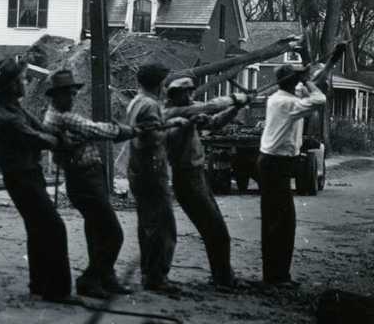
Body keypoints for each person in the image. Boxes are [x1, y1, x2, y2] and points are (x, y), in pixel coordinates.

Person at [42, 69, 137, 299]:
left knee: (96, 230)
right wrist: (128, 130)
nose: (72, 98)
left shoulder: (53, 115)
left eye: (73, 93)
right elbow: (98, 130)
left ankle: (106, 277)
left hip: (86, 176)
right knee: (113, 233)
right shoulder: (64, 117)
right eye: (68, 94)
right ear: (56, 96)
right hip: (84, 178)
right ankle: (90, 279)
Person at [0, 55, 71, 302]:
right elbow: (37, 138)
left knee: (37, 230)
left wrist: (56, 133)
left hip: (28, 175)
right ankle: (58, 291)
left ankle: (39, 286)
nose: (26, 83)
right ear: (13, 84)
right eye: (23, 79)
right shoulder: (6, 116)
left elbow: (40, 128)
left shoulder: (13, 106)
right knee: (55, 228)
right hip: (21, 179)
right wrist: (60, 142)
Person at [163, 75, 248, 290]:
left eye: (192, 92)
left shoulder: (187, 112)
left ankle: (223, 276)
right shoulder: (170, 114)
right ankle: (223, 279)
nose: (192, 96)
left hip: (198, 176)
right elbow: (206, 110)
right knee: (216, 231)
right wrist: (235, 99)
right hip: (186, 178)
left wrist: (235, 109)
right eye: (187, 93)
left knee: (217, 231)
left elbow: (214, 122)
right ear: (175, 96)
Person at [125, 62, 191, 293]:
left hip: (137, 168)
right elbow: (153, 137)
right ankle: (156, 277)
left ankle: (148, 272)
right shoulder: (151, 105)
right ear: (159, 84)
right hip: (152, 168)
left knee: (147, 224)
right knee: (163, 225)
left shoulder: (137, 101)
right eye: (164, 83)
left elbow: (149, 128)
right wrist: (177, 128)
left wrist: (170, 122)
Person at [258, 63, 326, 286]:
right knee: (281, 222)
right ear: (291, 82)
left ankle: (276, 275)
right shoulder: (287, 102)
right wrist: (305, 79)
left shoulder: (282, 97)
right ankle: (276, 277)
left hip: (274, 162)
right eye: (295, 80)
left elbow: (314, 85)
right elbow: (319, 98)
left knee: (278, 220)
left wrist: (331, 61)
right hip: (276, 163)